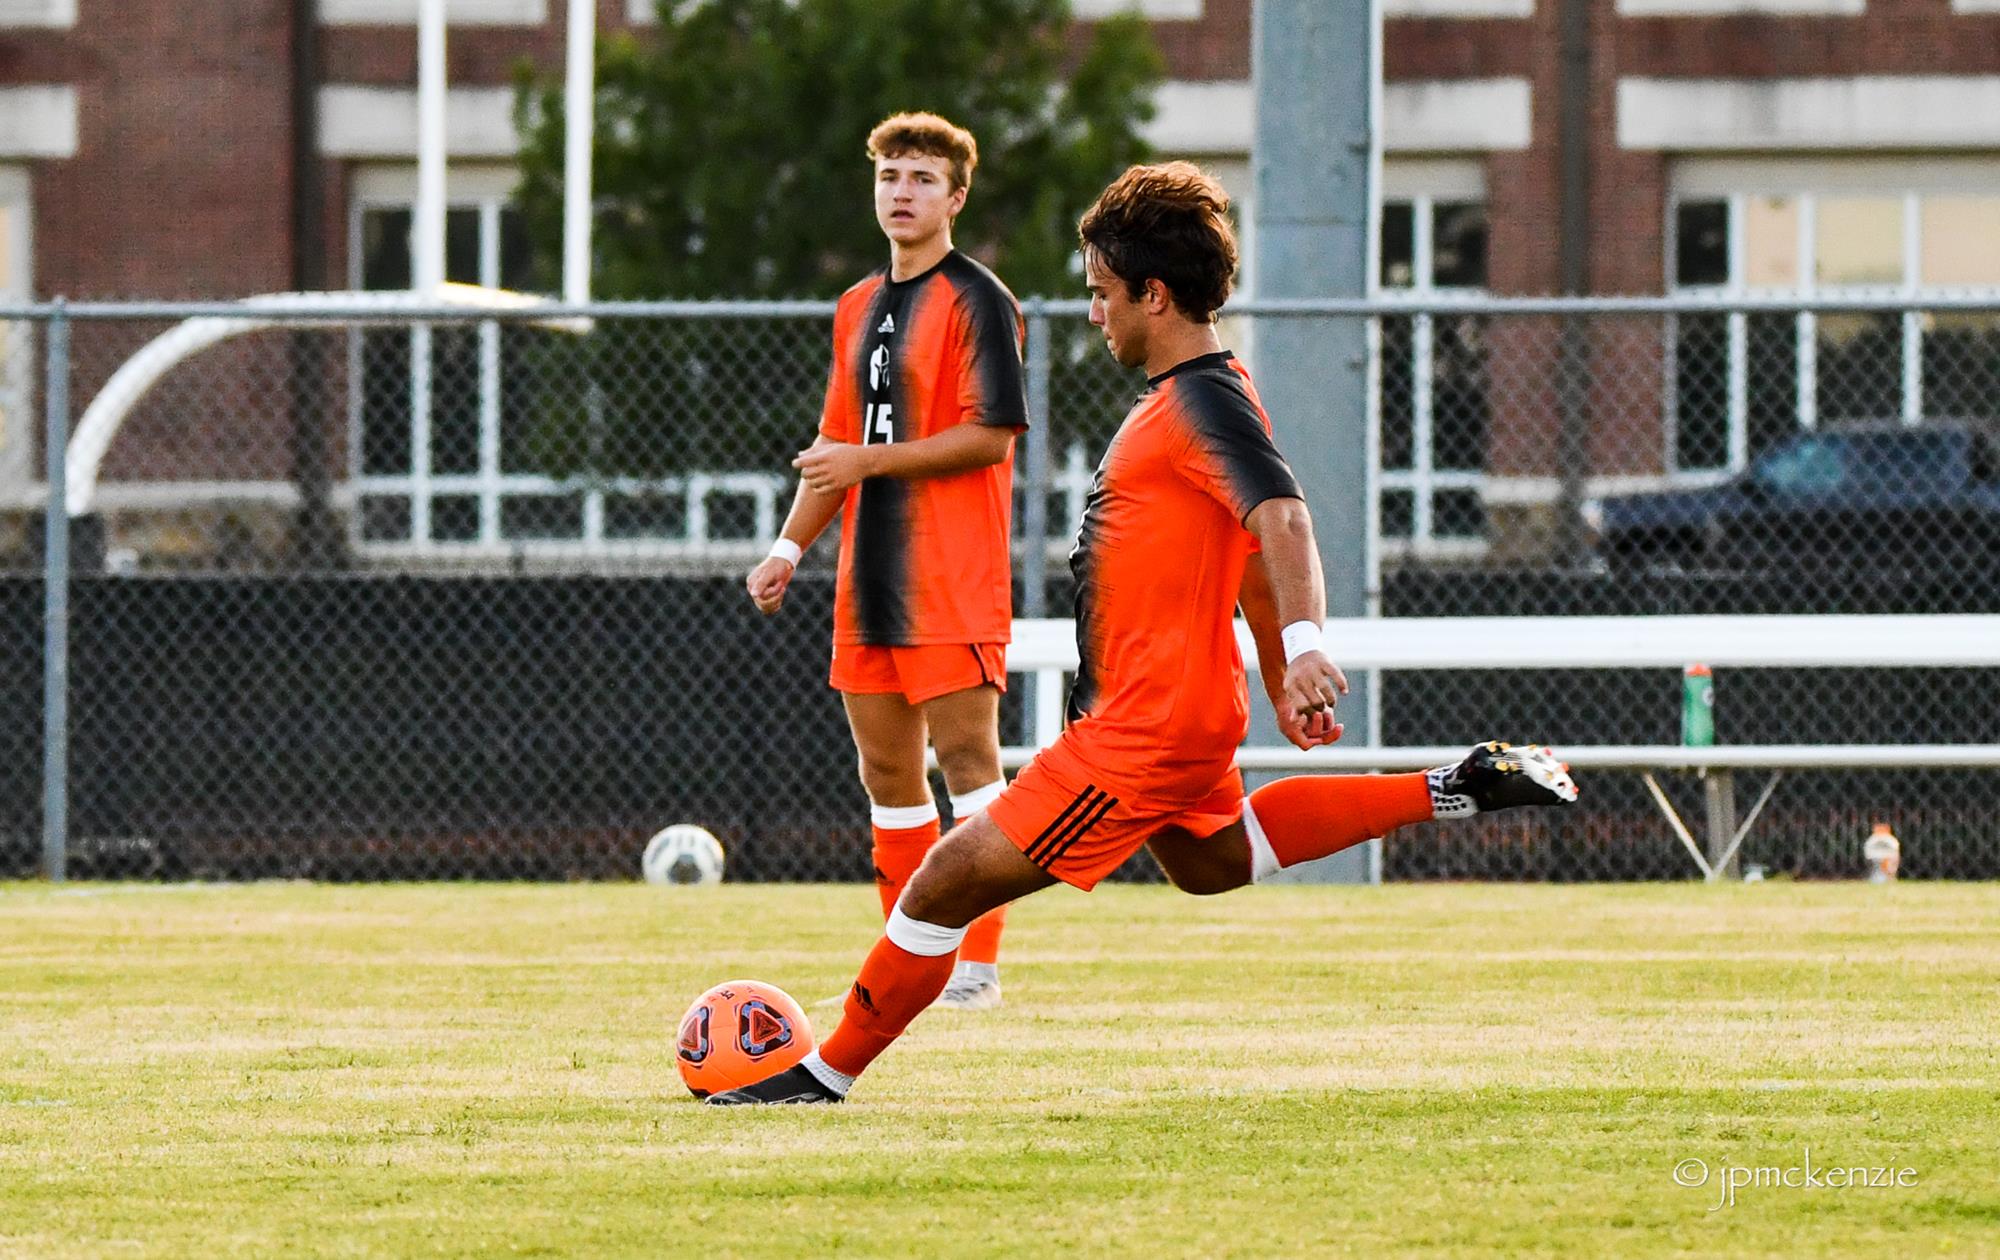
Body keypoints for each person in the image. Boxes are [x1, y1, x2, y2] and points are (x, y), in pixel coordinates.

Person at [713, 161, 1579, 1106]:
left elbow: (1282, 520)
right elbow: (1244, 547)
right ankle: (1456, 786)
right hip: (1183, 708)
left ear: (1154, 296)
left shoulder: (1203, 400)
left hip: (1144, 730)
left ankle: (824, 1073)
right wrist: (1282, 663)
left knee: (942, 882)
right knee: (1212, 863)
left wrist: (1308, 643)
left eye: (1102, 295)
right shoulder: (1199, 395)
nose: (1095, 315)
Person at [744, 112, 1027, 1010]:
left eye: (921, 179)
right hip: (868, 580)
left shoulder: (982, 300)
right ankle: (908, 965)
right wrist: (790, 545)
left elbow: (989, 438)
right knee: (888, 775)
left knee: (969, 765)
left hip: (952, 574)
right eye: (889, 177)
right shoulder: (855, 307)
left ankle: (975, 970)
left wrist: (864, 463)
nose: (901, 194)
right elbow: (837, 441)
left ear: (956, 196)